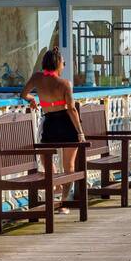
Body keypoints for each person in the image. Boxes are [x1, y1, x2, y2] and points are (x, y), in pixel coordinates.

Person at [19, 48, 84, 214]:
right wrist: (80, 132)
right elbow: (71, 109)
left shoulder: (37, 78)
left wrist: (32, 99)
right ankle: (64, 203)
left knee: (47, 161)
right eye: (63, 63)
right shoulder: (65, 84)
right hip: (67, 124)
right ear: (58, 64)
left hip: (50, 124)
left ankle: (55, 186)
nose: (63, 65)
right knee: (69, 165)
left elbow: (23, 93)